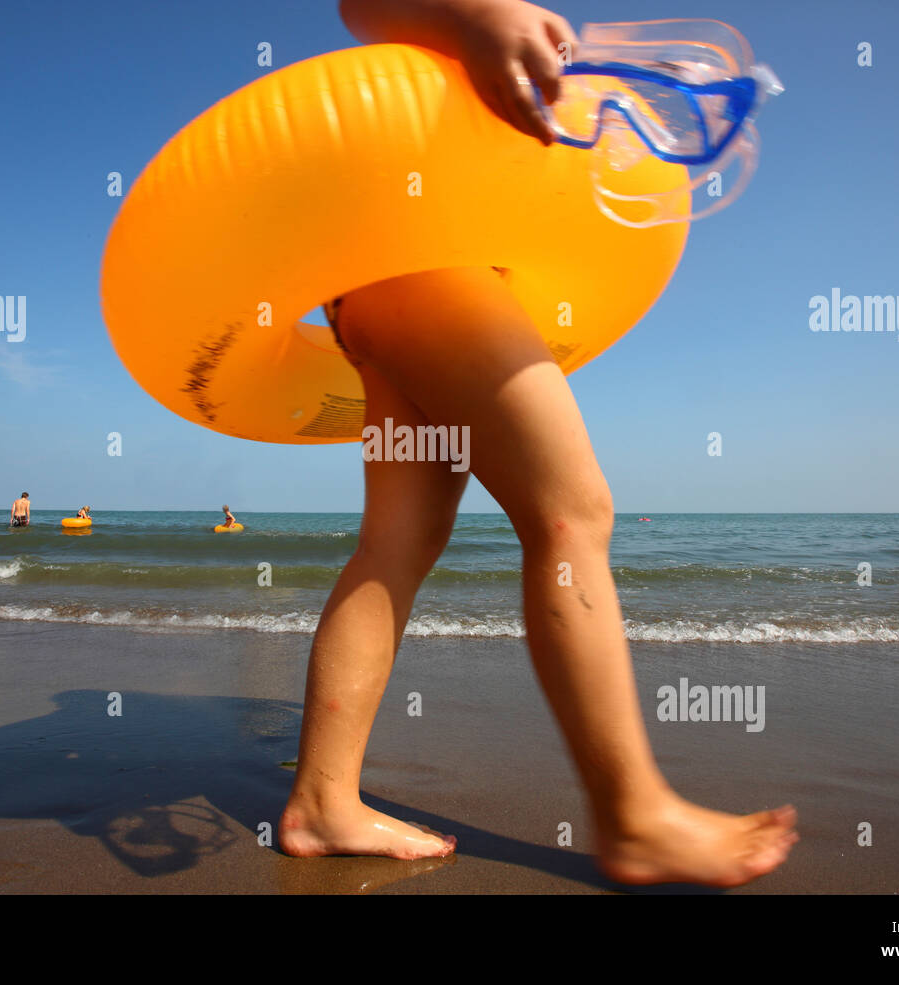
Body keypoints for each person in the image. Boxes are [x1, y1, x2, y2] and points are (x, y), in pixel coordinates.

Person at [278, 0, 797, 887]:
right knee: (571, 512)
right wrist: (477, 17)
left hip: (382, 256)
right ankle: (635, 815)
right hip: (422, 250)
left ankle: (323, 800)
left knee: (399, 541)